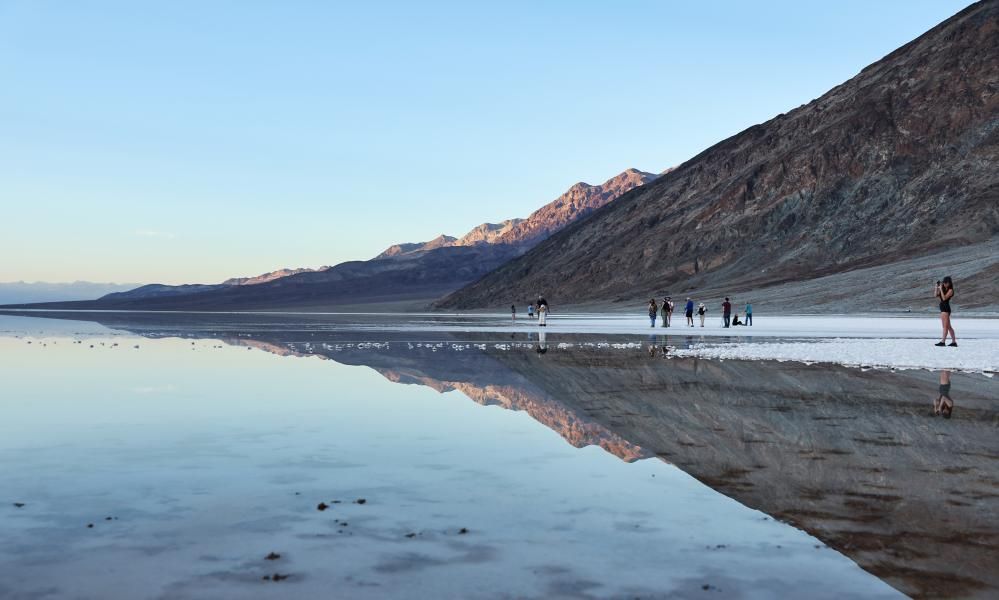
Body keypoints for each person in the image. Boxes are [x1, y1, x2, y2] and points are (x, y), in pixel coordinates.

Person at [934, 277, 957, 347]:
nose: (944, 284)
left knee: (945, 327)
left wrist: (941, 289)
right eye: (943, 283)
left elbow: (944, 298)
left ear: (949, 283)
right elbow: (935, 295)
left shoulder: (951, 290)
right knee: (948, 327)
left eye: (945, 283)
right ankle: (954, 342)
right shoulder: (943, 289)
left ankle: (943, 341)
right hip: (942, 308)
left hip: (946, 309)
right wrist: (936, 288)